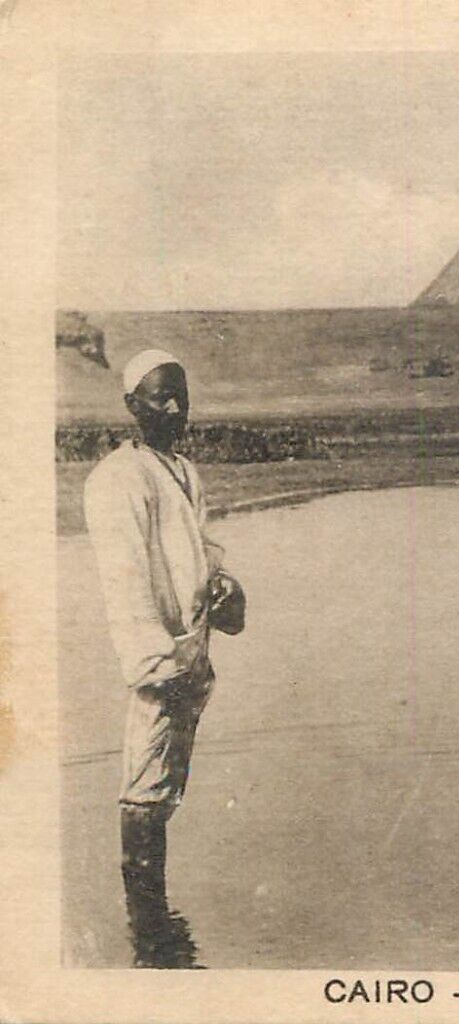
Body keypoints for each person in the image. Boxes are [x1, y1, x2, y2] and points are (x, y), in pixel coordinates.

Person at [84, 349, 244, 968]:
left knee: (164, 788)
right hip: (160, 665)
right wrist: (159, 667)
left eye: (180, 395)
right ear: (131, 406)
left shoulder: (180, 470)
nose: (174, 408)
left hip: (188, 655)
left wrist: (223, 585)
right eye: (159, 397)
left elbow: (197, 552)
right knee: (146, 787)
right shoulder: (118, 480)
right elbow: (124, 582)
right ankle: (149, 928)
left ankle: (157, 932)